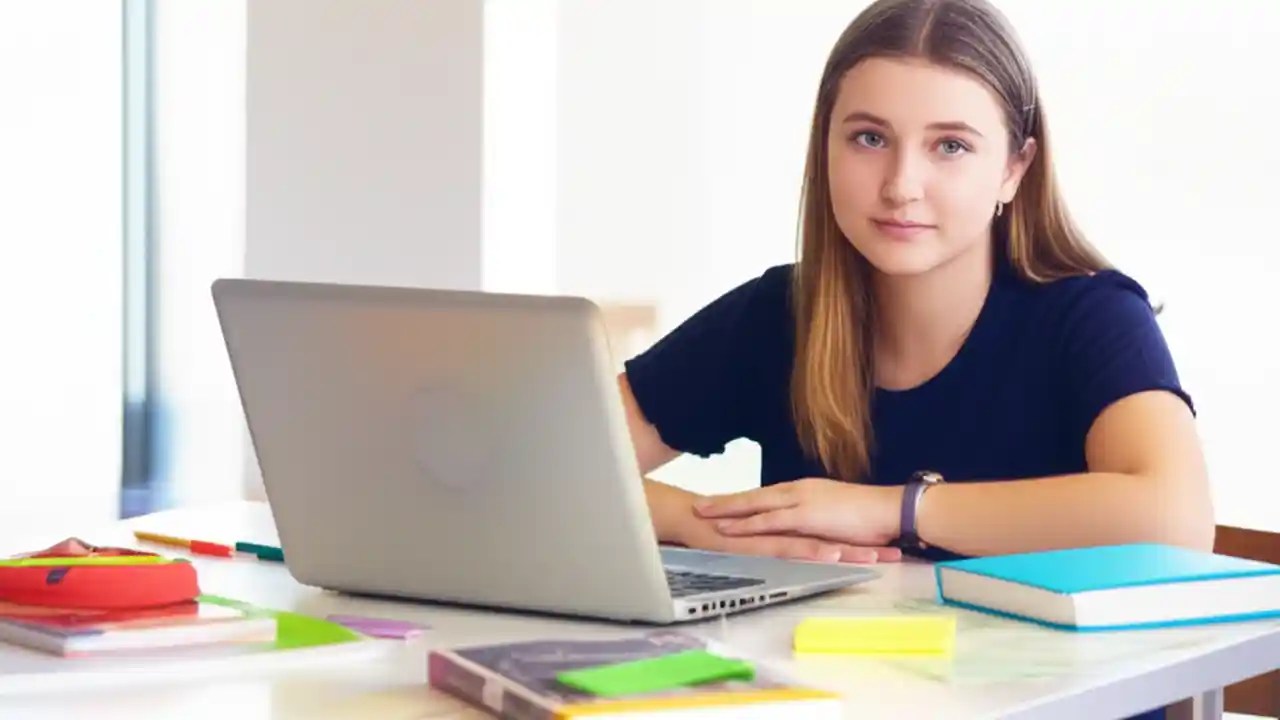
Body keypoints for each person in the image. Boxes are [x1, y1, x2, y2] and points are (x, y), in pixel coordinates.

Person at [618, 0, 1214, 569]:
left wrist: (889, 510)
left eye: (950, 146)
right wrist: (700, 525)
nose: (902, 184)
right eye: (869, 138)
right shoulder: (775, 314)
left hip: (1036, 677)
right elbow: (541, 458)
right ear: (825, 146)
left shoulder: (1089, 315)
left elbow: (1177, 523)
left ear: (1014, 168)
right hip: (817, 672)